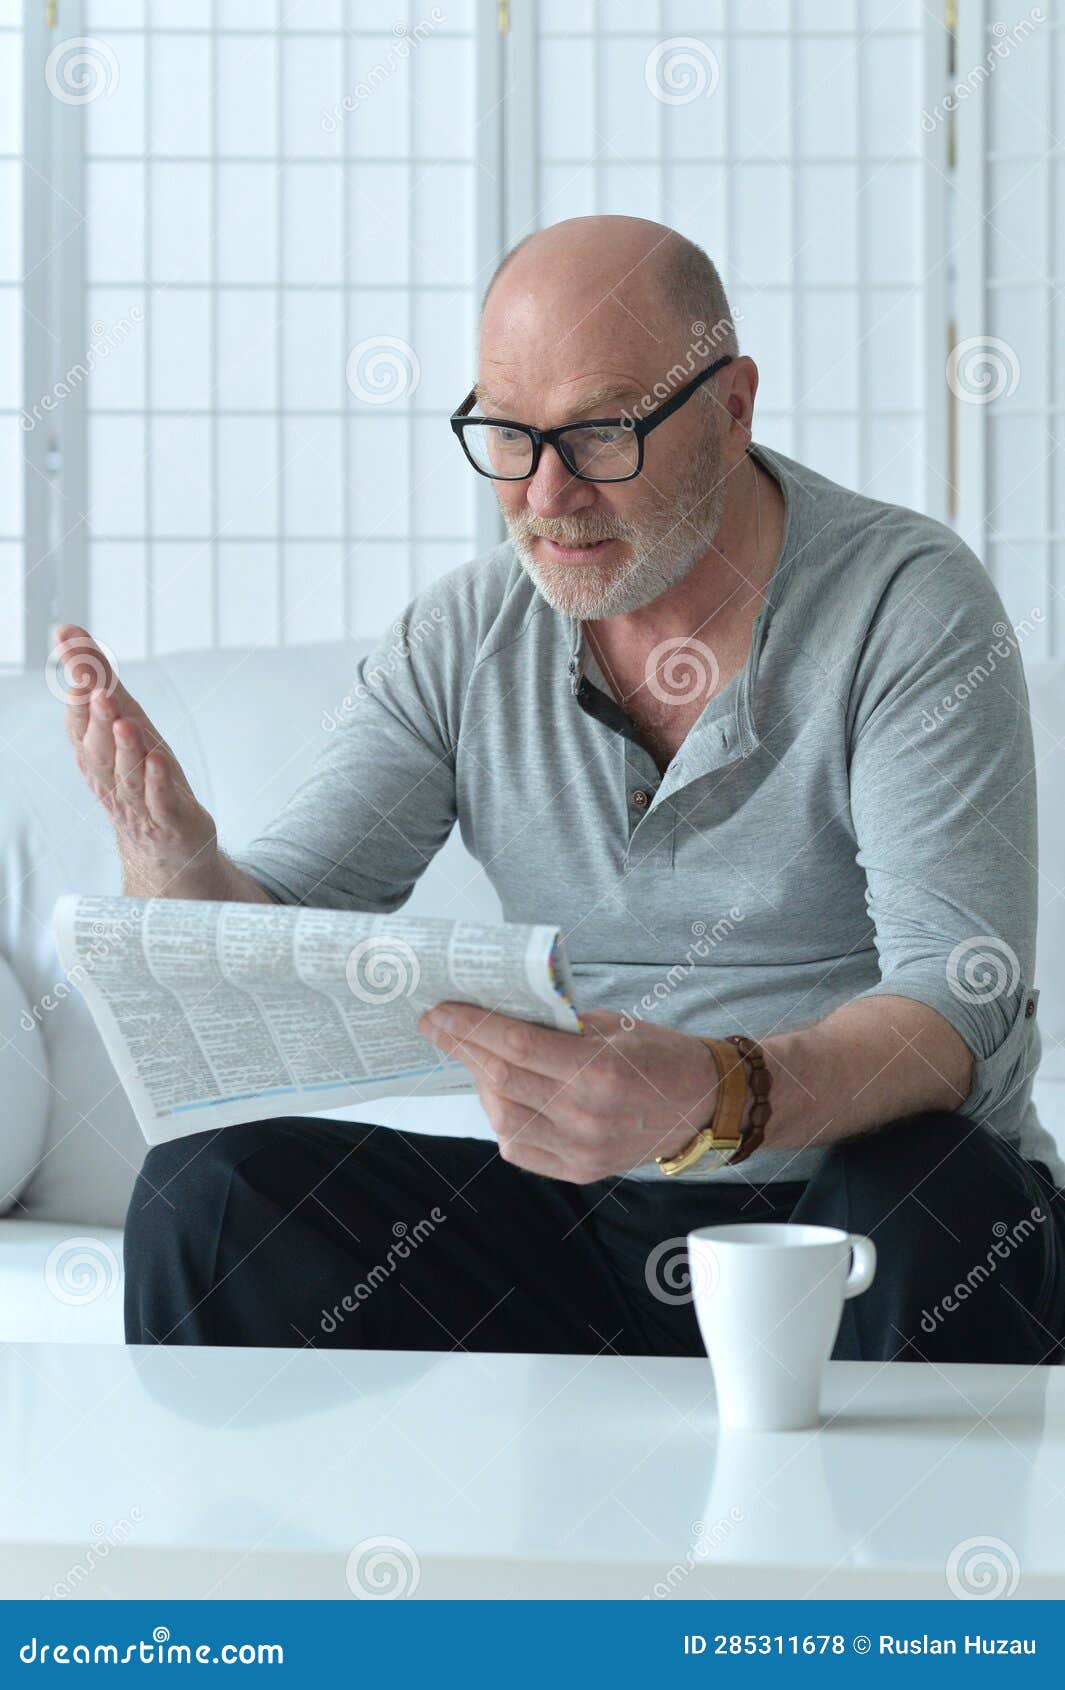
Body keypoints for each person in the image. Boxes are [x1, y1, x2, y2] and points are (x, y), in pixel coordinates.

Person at [59, 215, 1065, 1365]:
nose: (547, 492)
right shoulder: (465, 633)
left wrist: (713, 1092)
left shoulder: (908, 604)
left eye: (599, 433)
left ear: (732, 408)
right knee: (212, 1198)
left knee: (937, 1200)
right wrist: (179, 867)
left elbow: (959, 1002)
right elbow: (269, 952)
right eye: (508, 432)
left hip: (847, 1206)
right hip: (591, 1217)